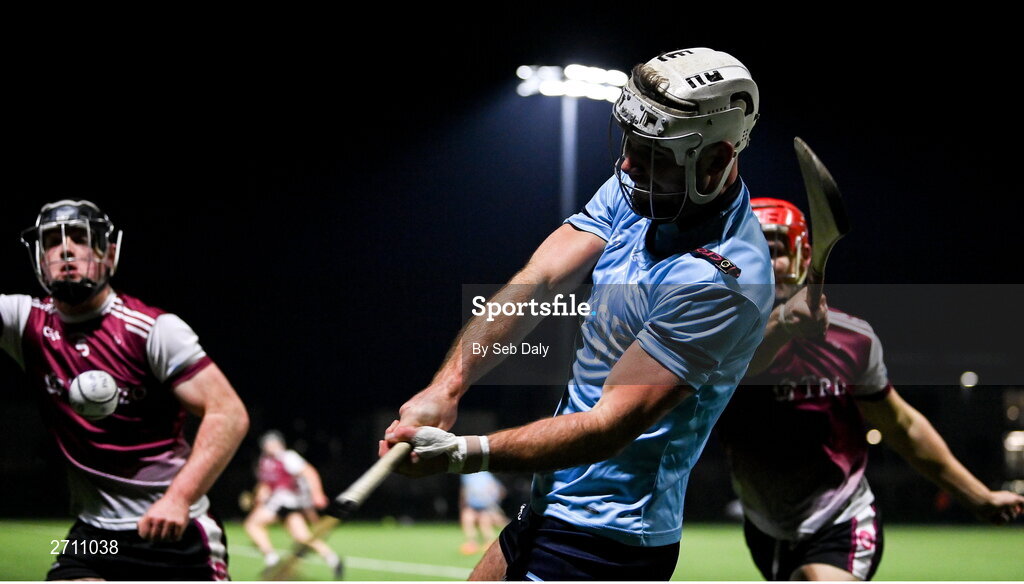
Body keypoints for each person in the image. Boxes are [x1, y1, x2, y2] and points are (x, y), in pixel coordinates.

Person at [381, 48, 774, 581]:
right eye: (629, 146)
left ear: (714, 161)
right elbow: (540, 279)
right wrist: (447, 388)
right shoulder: (641, 192)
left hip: (607, 539)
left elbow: (610, 425)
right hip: (550, 502)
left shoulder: (721, 280)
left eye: (651, 154)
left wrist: (459, 454)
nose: (626, 165)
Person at [715, 198, 1024, 581]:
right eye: (751, 250)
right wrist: (781, 325)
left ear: (802, 256)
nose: (764, 261)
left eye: (775, 250)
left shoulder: (853, 340)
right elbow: (737, 369)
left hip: (841, 516)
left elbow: (901, 425)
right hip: (765, 525)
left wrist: (978, 495)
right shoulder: (711, 338)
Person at [0, 199, 249, 580]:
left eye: (80, 239)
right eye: (51, 241)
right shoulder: (24, 323)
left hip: (171, 530)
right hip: (94, 534)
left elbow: (228, 414)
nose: (65, 249)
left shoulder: (153, 330)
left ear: (109, 252)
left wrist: (179, 499)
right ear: (37, 255)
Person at [244, 430, 343, 578]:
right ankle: (332, 559)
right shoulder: (266, 461)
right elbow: (266, 484)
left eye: (272, 443)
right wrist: (259, 496)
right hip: (283, 501)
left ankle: (272, 560)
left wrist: (317, 494)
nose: (270, 446)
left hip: (286, 500)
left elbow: (309, 473)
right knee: (302, 537)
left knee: (252, 524)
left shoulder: (287, 456)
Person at [458, 471, 508, 555]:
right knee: (467, 518)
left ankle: (490, 542)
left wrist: (493, 497)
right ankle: (471, 543)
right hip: (472, 504)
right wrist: (463, 503)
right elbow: (465, 489)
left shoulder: (485, 474)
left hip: (486, 505)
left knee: (489, 521)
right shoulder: (466, 475)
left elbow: (499, 490)